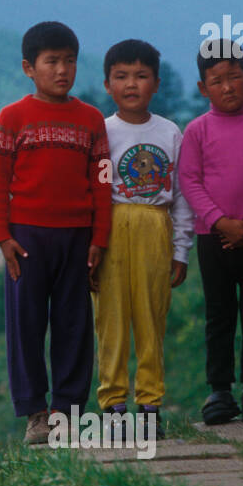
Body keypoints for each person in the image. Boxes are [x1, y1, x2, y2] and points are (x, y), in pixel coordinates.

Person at [0, 21, 112, 445]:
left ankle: (68, 412)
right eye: (52, 61)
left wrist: (100, 238)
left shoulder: (91, 119)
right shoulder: (13, 117)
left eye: (70, 61)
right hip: (26, 239)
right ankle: (35, 413)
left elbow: (102, 183)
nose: (63, 70)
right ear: (29, 67)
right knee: (26, 325)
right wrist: (2, 236)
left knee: (74, 325)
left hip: (77, 238)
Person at [92, 39, 193, 439]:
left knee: (152, 319)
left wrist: (181, 248)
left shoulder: (170, 132)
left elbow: (183, 195)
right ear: (107, 84)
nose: (131, 84)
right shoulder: (101, 131)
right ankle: (113, 405)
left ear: (156, 83)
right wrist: (92, 243)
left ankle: (150, 405)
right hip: (111, 226)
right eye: (121, 76)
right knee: (110, 320)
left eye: (141, 76)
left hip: (155, 225)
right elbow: (93, 188)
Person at [179, 39, 243, 424]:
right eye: (217, 80)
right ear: (203, 88)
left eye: (234, 77)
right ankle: (219, 390)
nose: (227, 87)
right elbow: (190, 181)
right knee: (219, 314)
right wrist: (221, 221)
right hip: (214, 241)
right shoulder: (197, 131)